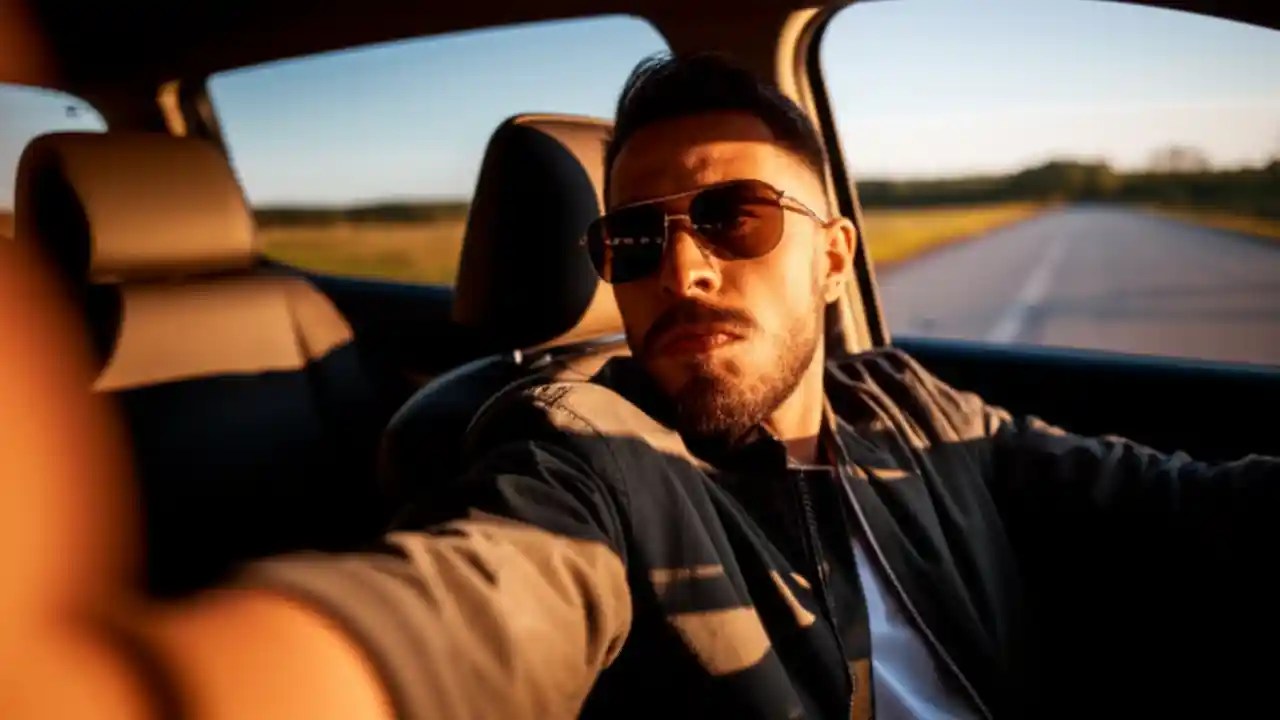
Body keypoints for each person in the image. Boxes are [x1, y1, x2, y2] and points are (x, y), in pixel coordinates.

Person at [4, 53, 1278, 720]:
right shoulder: (584, 449)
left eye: (733, 217)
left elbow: (1180, 503)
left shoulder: (918, 411)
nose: (678, 265)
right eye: (631, 238)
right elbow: (471, 610)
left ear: (836, 255)